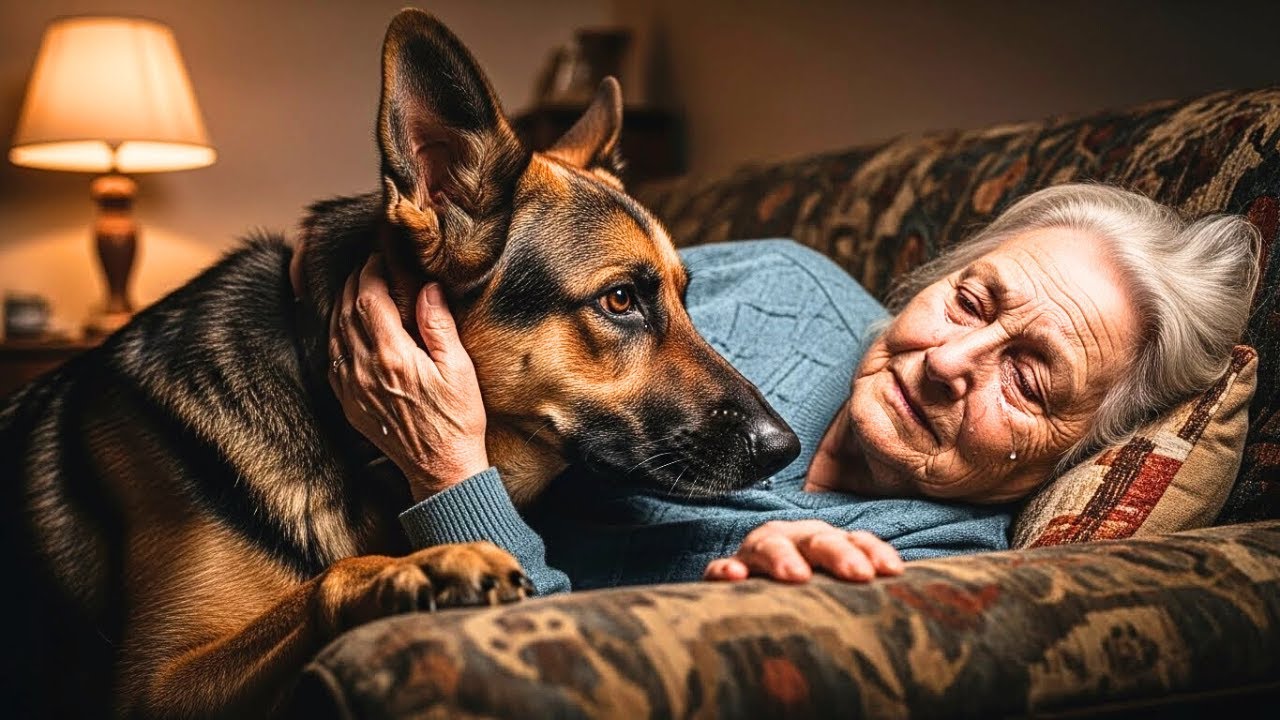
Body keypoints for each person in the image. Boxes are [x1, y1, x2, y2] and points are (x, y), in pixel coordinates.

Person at [325, 183, 1259, 595]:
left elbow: (540, 679)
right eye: (970, 300)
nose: (949, 362)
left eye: (1028, 376)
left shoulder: (933, 572)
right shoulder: (781, 281)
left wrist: (451, 473)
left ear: (1082, 446)